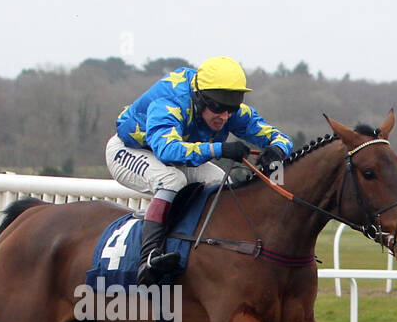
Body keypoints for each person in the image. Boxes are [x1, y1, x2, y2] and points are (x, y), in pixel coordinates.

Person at [106, 56, 294, 285]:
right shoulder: (169, 102)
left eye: (230, 110)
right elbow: (167, 150)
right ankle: (148, 259)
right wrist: (219, 149)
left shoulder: (226, 110)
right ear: (199, 98)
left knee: (219, 183)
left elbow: (280, 137)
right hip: (129, 151)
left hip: (176, 155)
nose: (224, 117)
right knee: (171, 179)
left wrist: (277, 150)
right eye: (217, 108)